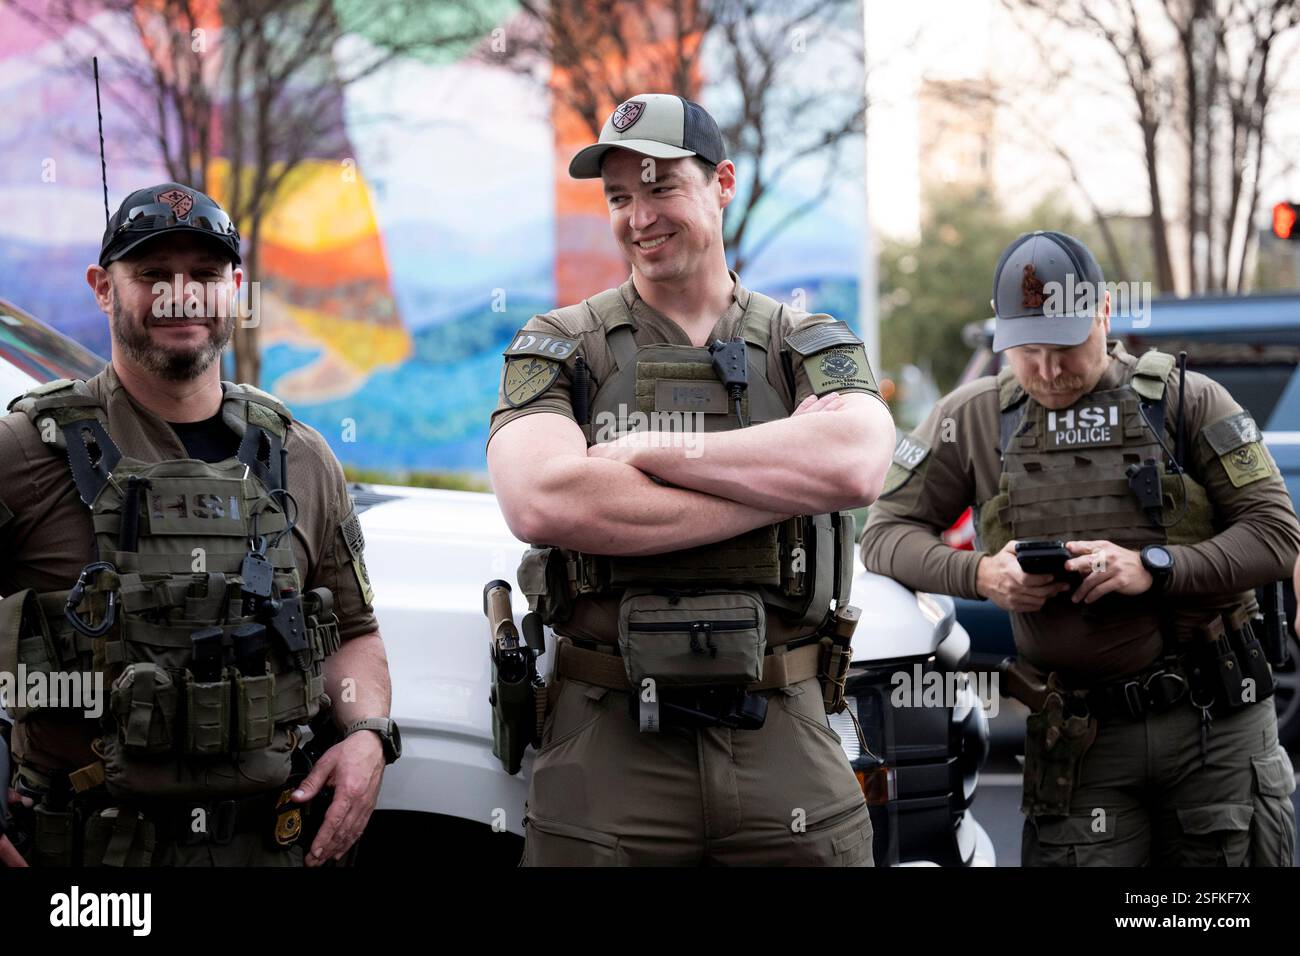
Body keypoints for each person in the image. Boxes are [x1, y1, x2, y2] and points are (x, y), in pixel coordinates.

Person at [487, 93, 895, 865]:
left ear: (723, 182)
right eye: (619, 197)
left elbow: (854, 464)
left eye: (660, 186)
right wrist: (778, 484)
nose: (639, 216)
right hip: (608, 747)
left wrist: (652, 452)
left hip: (786, 737)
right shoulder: (559, 344)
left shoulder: (805, 340)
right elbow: (542, 498)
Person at [861, 230, 1300, 866]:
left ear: (1102, 313)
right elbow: (884, 533)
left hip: (1215, 729)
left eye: (1064, 346)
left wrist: (1155, 567)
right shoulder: (975, 419)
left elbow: (1274, 531)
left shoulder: (1189, 402)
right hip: (1080, 740)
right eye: (1025, 350)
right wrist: (982, 575)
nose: (1047, 369)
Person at [0, 182, 400, 867]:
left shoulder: (301, 457)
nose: (180, 294)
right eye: (152, 274)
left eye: (206, 276)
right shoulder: (23, 451)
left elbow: (355, 632)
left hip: (266, 846)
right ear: (103, 287)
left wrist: (367, 733)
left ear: (235, 291)